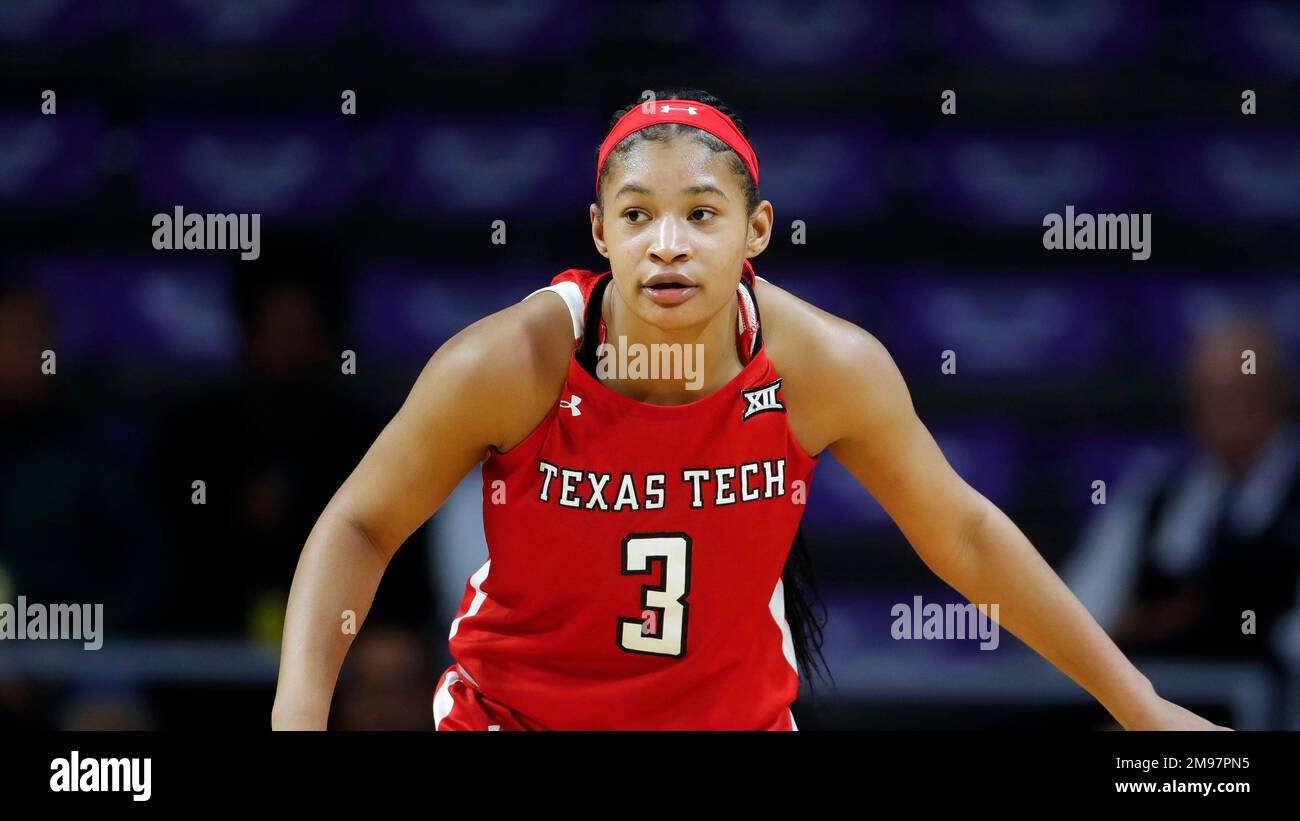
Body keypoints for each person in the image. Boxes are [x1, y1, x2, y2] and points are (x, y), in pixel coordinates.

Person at [272, 89, 1227, 730]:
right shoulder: (512, 361)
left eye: (701, 213)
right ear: (600, 231)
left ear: (755, 229)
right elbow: (359, 522)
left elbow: (966, 535)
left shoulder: (823, 366)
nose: (668, 244)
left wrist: (1138, 705)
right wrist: (298, 720)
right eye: (638, 215)